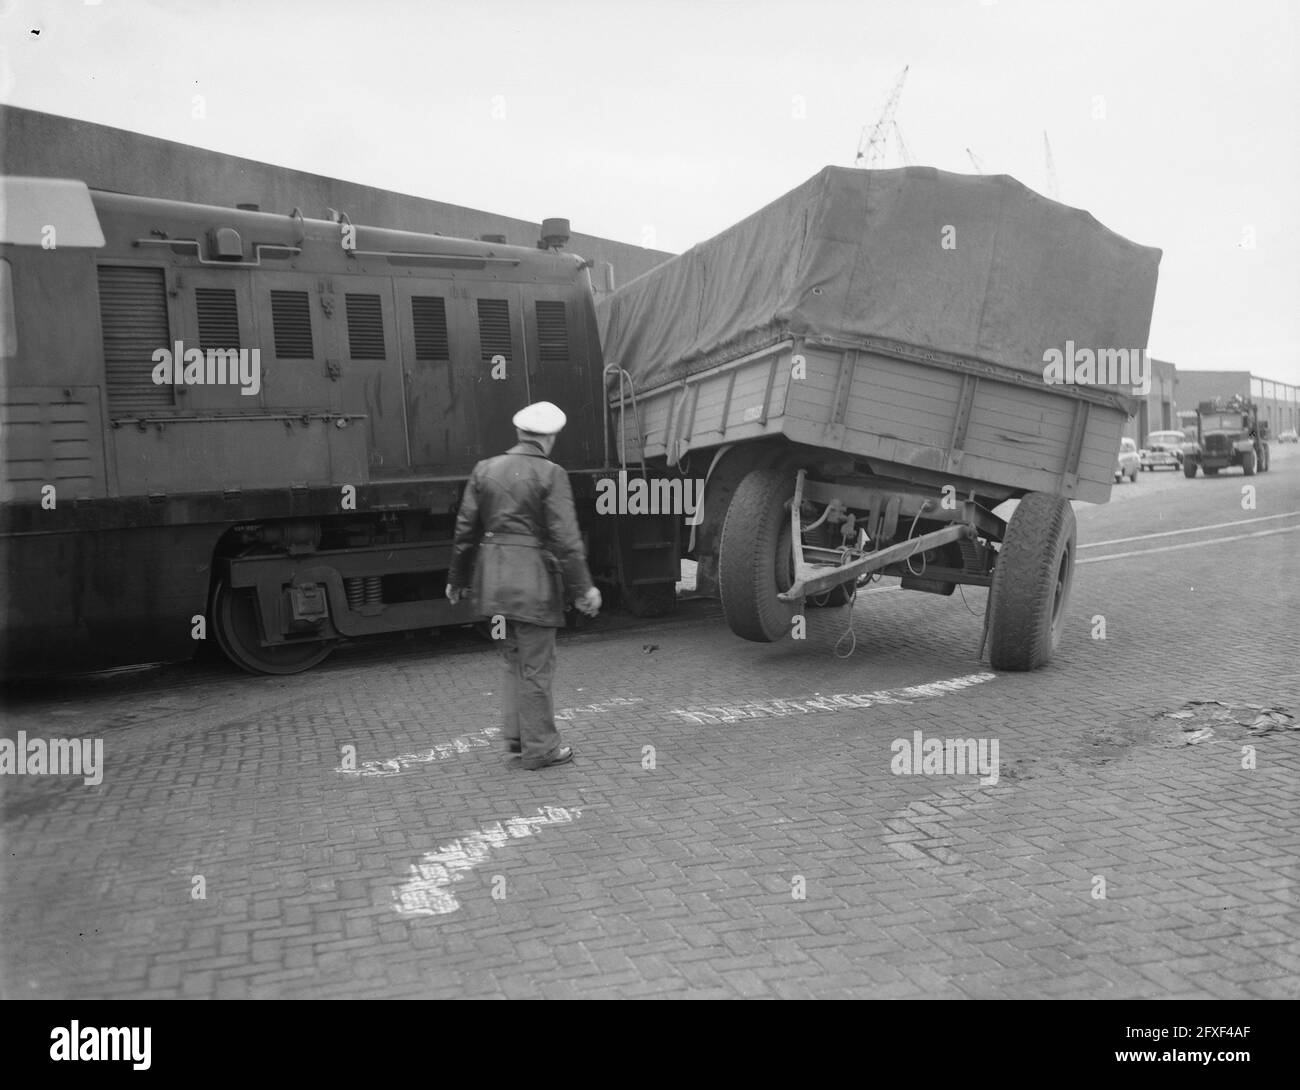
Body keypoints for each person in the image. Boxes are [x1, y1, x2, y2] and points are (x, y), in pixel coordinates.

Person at [446, 401, 602, 769]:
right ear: (548, 438)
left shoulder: (484, 469)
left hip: (493, 588)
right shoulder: (551, 473)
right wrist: (584, 589)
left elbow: (465, 531)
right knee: (536, 666)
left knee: (512, 662)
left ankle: (517, 740)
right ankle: (542, 749)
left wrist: (457, 580)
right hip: (531, 587)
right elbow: (566, 539)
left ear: (519, 433)